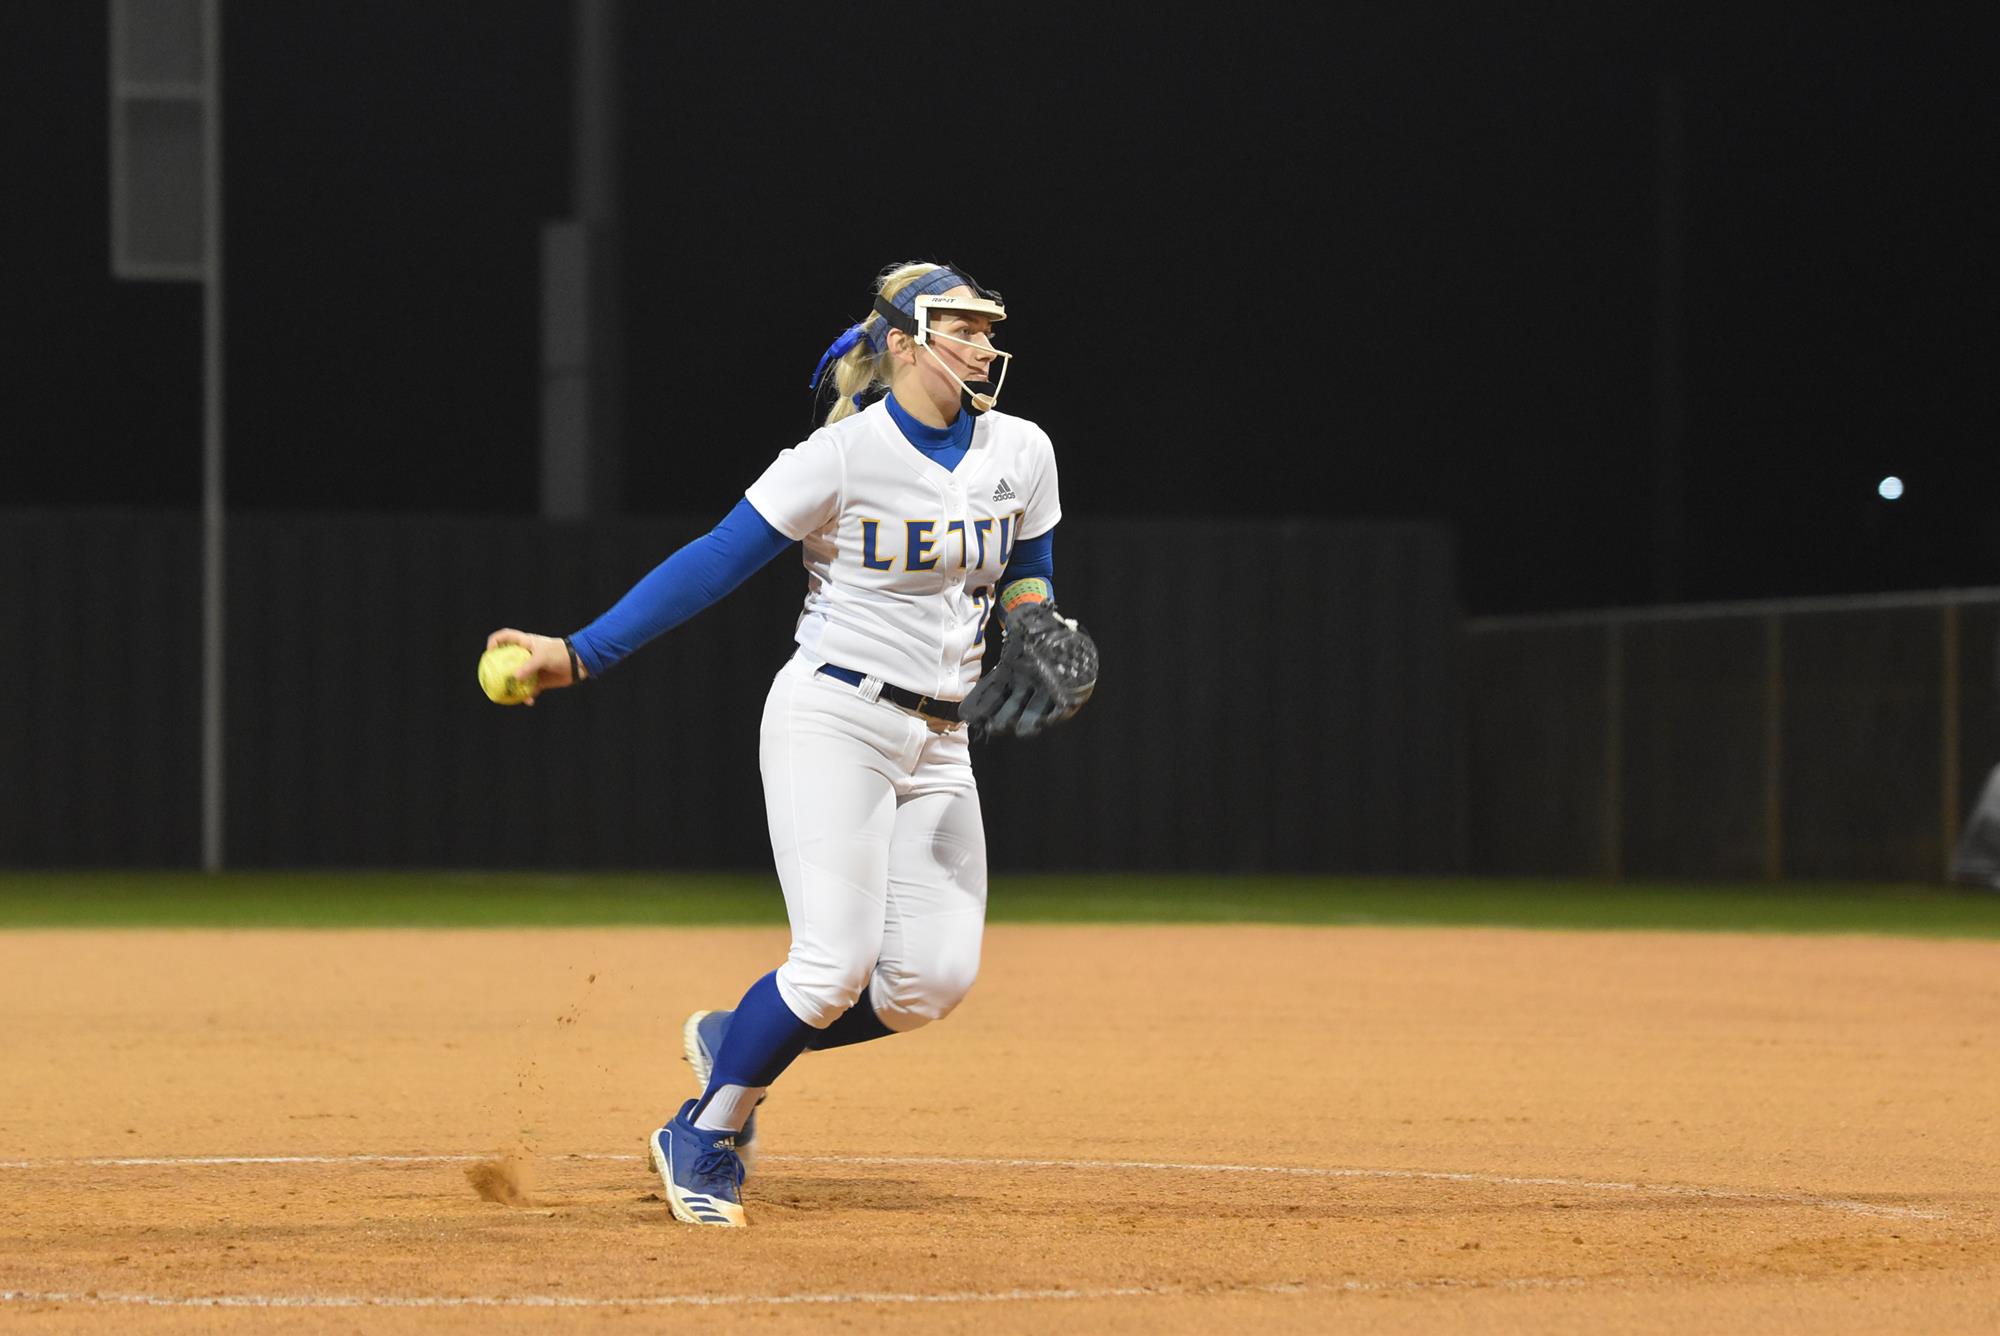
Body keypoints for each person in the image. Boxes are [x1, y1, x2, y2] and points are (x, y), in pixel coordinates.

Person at [484, 261, 1096, 1227]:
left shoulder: (1022, 447)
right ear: (902, 339)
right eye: (962, 328)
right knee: (832, 964)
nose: (984, 344)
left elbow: (1029, 561)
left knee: (929, 982)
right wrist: (581, 654)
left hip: (941, 738)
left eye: (989, 329)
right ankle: (706, 1130)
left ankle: (738, 1036)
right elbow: (714, 562)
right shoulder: (839, 455)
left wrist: (1036, 617)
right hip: (835, 719)